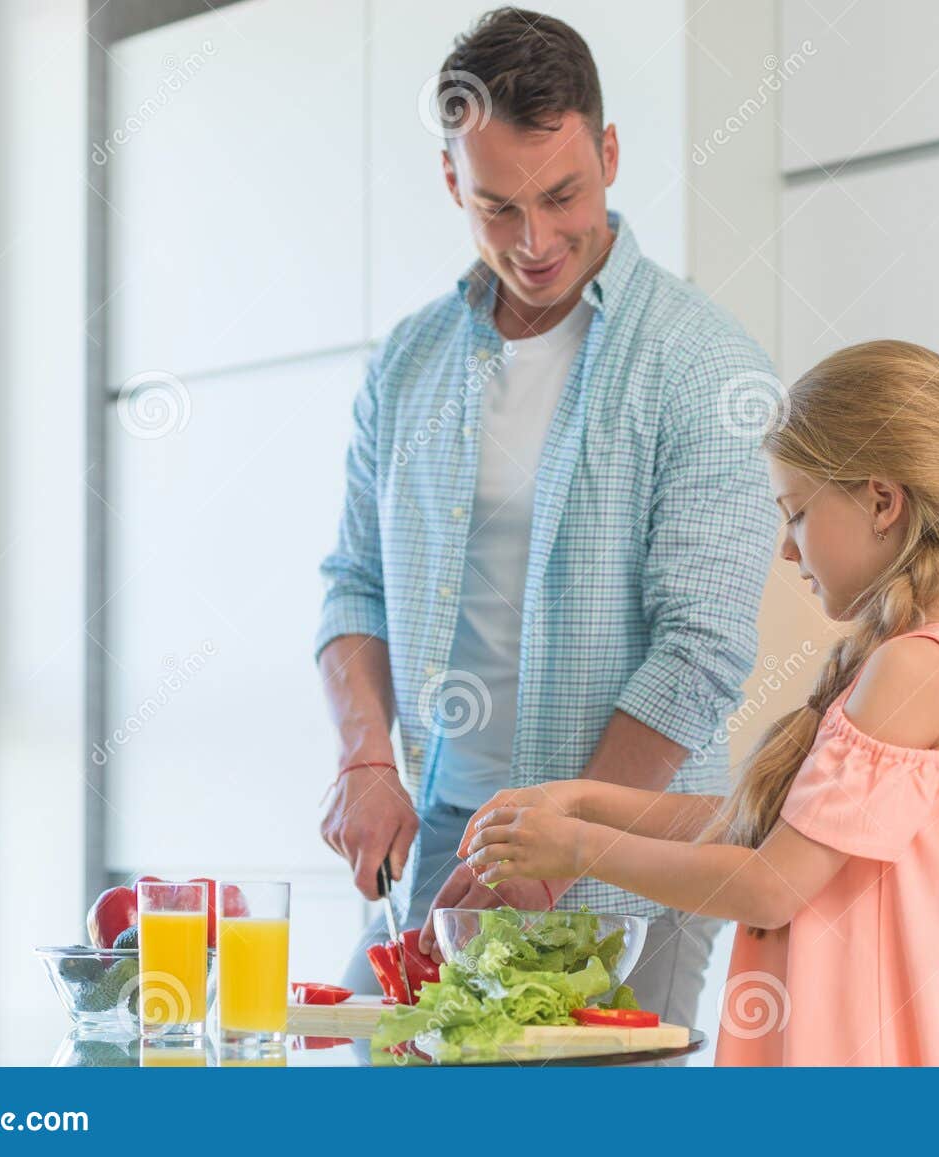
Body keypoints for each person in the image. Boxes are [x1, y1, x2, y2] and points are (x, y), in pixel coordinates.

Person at [313, 6, 777, 1030]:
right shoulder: (409, 362)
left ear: (608, 154)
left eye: (562, 195)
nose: (534, 242)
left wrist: (562, 847)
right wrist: (365, 756)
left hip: (624, 851)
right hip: (447, 828)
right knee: (363, 1078)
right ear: (452, 184)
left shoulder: (703, 363)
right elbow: (354, 580)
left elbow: (697, 650)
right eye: (496, 206)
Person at [459, 340, 939, 1064]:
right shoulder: (938, 662)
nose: (786, 551)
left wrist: (579, 848)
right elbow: (759, 830)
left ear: (882, 501)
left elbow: (768, 885)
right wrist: (577, 799)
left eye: (795, 514)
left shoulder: (912, 670)